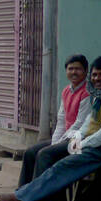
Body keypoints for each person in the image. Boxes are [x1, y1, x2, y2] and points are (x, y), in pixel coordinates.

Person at [0, 57, 101, 201]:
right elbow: (86, 124)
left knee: (61, 166)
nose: (97, 79)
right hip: (91, 144)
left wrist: (81, 144)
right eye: (95, 75)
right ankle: (23, 199)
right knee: (45, 157)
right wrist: (77, 140)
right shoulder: (99, 95)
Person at [17, 55, 89, 186]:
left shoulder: (87, 92)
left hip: (80, 140)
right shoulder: (66, 91)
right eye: (70, 68)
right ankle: (22, 193)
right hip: (65, 137)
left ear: (85, 71)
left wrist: (56, 144)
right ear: (66, 71)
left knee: (44, 154)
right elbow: (61, 121)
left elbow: (80, 124)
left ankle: (38, 198)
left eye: (78, 69)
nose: (74, 72)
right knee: (30, 152)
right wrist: (55, 142)